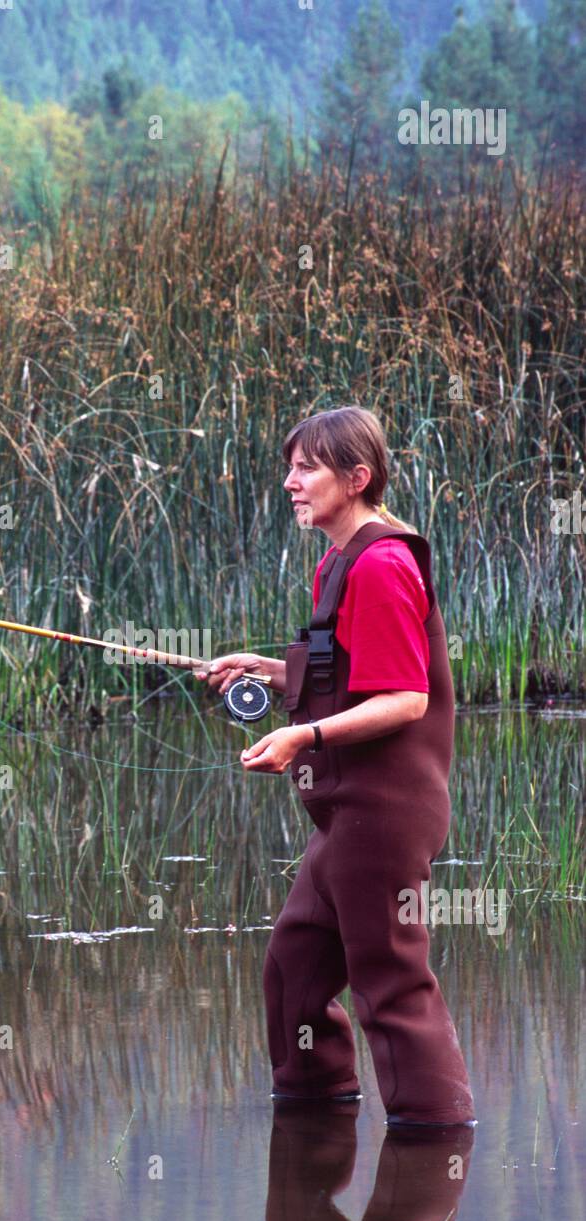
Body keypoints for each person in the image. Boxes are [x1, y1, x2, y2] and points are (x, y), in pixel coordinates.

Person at [196, 405, 476, 1127]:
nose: (290, 482)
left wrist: (302, 737)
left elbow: (405, 698)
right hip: (344, 818)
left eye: (305, 468)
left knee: (391, 982)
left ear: (357, 478)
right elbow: (348, 672)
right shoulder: (340, 557)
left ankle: (435, 1137)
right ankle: (314, 1120)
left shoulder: (382, 564)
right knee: (294, 968)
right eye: (289, 467)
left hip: (382, 815)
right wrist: (265, 667)